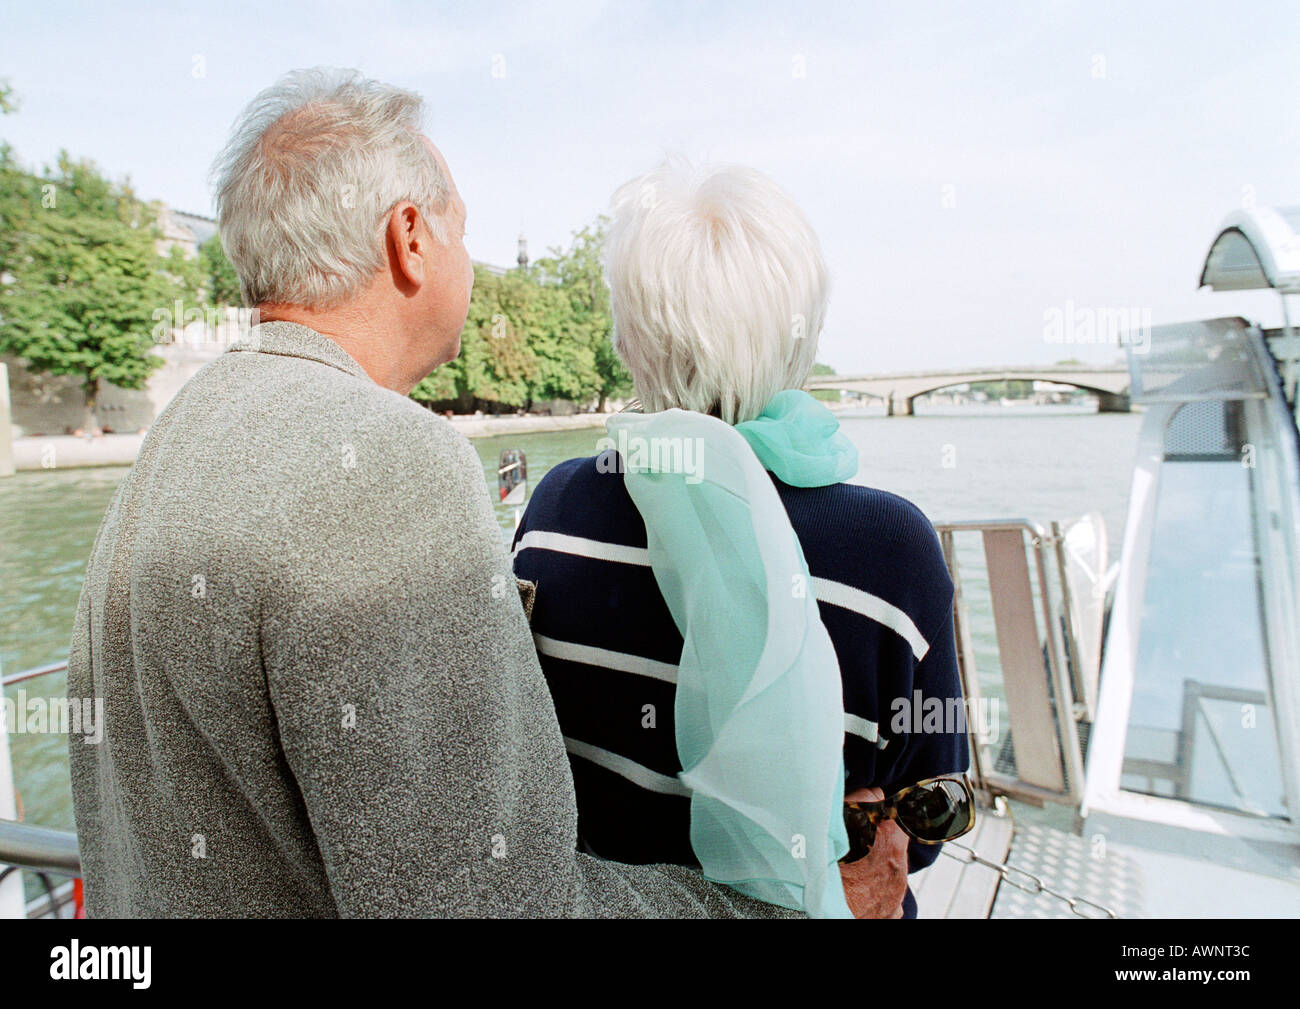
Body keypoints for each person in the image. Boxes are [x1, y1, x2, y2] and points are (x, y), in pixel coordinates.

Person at [64, 69, 809, 918]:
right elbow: (491, 905)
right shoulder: (388, 463)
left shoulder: (174, 443)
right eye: (461, 227)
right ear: (409, 236)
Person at [511, 160, 970, 918]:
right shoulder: (893, 550)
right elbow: (919, 825)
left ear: (631, 340)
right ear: (803, 334)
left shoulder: (558, 505)